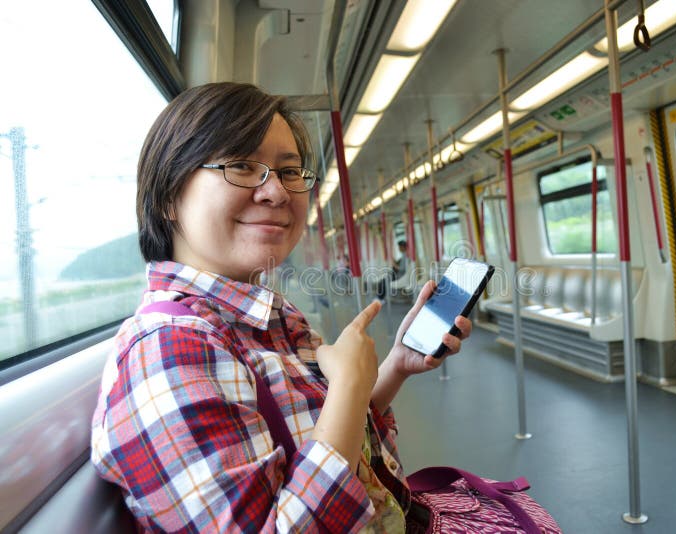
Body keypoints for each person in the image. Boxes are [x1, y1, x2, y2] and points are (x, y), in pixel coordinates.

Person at [90, 82, 471, 533]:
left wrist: (394, 367)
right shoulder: (169, 349)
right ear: (168, 198)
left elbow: (324, 436)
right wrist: (348, 382)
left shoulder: (268, 315)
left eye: (290, 172)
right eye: (242, 166)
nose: (276, 192)